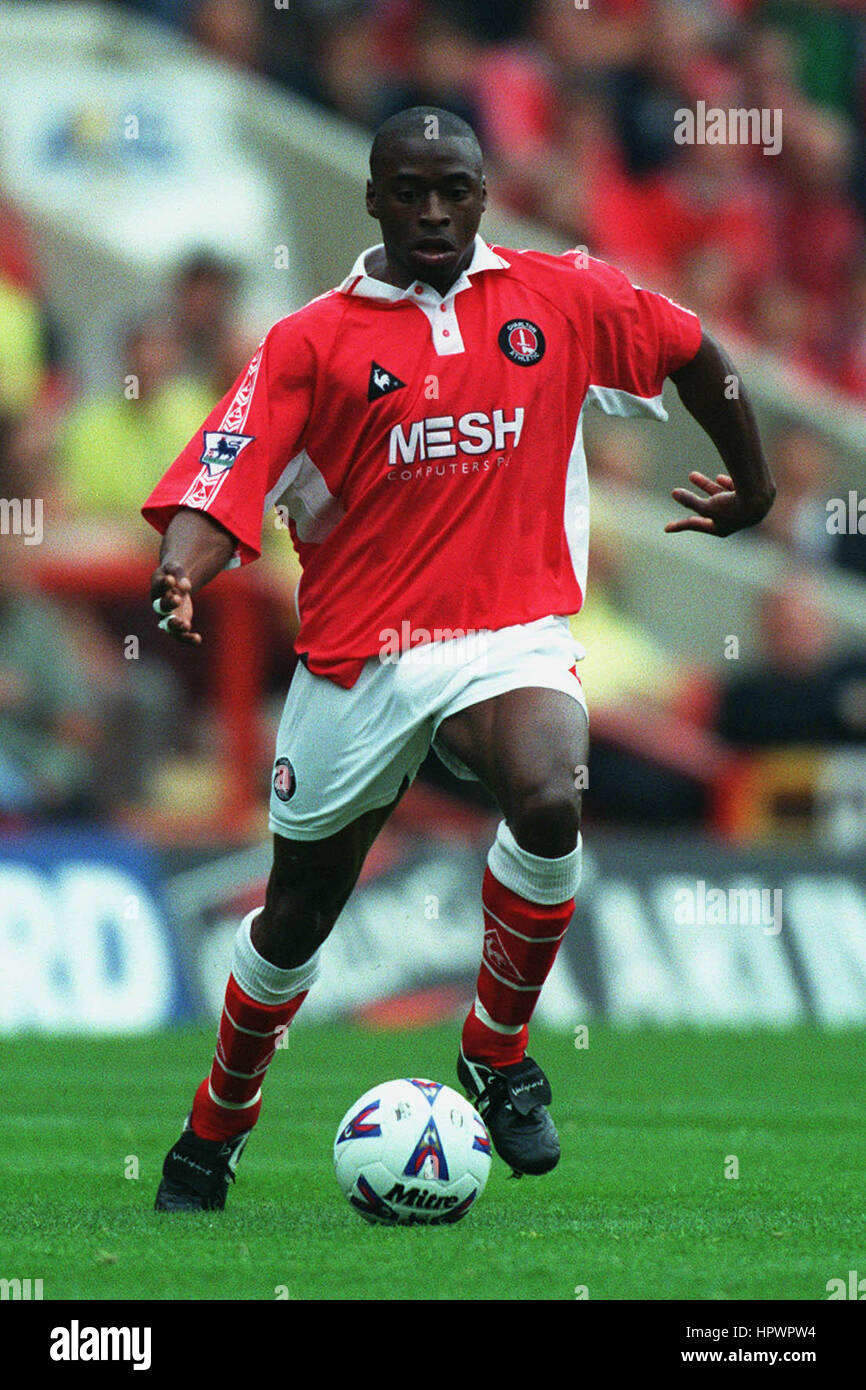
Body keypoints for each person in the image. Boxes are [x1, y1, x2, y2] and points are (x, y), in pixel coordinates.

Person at [142, 107, 776, 1212]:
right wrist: (182, 567)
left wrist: (752, 482)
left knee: (547, 790)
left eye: (453, 190)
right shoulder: (312, 341)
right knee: (292, 923)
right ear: (374, 198)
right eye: (409, 190)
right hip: (358, 664)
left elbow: (691, 353)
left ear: (482, 194)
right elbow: (222, 472)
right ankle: (215, 1126)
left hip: (506, 634)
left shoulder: (561, 296)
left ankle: (491, 1050)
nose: (433, 212)